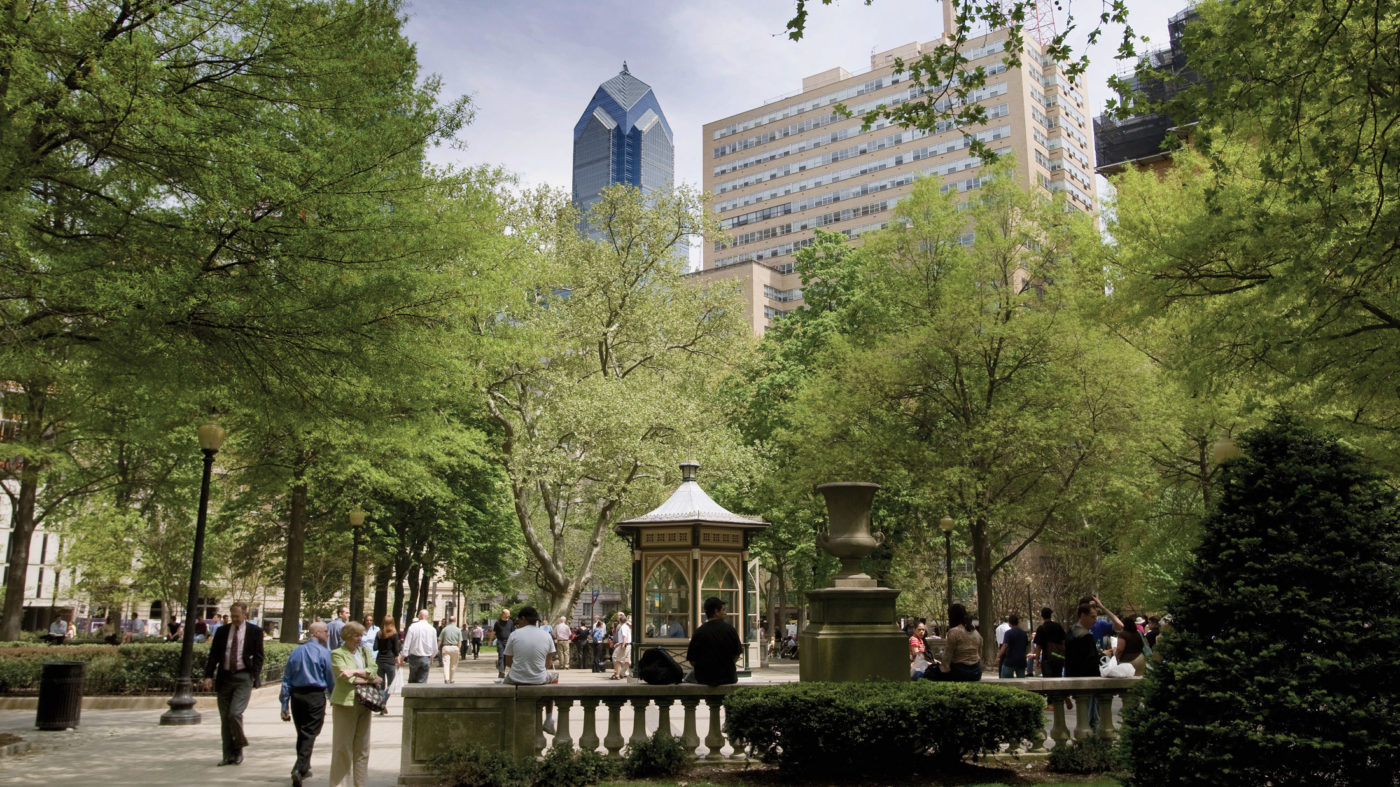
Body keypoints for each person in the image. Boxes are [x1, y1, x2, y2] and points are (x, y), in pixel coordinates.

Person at [203, 601, 265, 766]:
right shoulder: (222, 631)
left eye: (237, 616)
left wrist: (254, 675)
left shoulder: (255, 631)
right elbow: (213, 655)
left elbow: (259, 656)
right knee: (225, 718)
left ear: (245, 614)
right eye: (232, 616)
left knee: (235, 713)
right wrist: (208, 676)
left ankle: (238, 749)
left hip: (243, 677)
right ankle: (227, 755)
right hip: (224, 677)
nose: (235, 619)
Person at [280, 621, 333, 787]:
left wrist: (284, 704)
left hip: (297, 696)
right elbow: (330, 678)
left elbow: (286, 679)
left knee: (303, 732)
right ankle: (298, 768)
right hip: (315, 696)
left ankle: (304, 766)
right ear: (316, 633)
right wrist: (334, 697)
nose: (328, 634)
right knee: (310, 733)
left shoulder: (296, 652)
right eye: (325, 631)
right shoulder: (324, 653)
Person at [329, 621, 378, 787]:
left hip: (366, 702)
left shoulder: (365, 652)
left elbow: (374, 671)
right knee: (342, 748)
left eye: (361, 635)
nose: (360, 639)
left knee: (363, 749)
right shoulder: (337, 654)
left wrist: (355, 671)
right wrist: (368, 678)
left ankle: (360, 784)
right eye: (356, 635)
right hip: (345, 704)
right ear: (347, 636)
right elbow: (347, 679)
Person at [502, 606, 559, 732]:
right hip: (539, 679)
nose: (518, 623)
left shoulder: (514, 634)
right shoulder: (546, 635)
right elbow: (548, 664)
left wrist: (522, 667)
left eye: (518, 620)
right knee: (554, 678)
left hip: (516, 678)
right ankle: (549, 718)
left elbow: (508, 662)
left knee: (502, 685)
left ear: (523, 618)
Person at [686, 597, 742, 686]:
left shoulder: (699, 632)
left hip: (704, 678)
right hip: (728, 677)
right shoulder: (730, 630)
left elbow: (692, 660)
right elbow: (737, 654)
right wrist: (726, 665)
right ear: (716, 611)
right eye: (723, 610)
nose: (726, 612)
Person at [924, 603, 981, 681]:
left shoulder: (954, 632)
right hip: (976, 671)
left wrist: (942, 669)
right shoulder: (976, 633)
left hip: (960, 671)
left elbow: (947, 656)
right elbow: (980, 653)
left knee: (930, 671)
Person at [374, 616, 401, 714]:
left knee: (381, 685)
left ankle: (382, 704)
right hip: (390, 661)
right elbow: (396, 650)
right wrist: (398, 659)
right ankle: (382, 702)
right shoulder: (394, 634)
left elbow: (375, 647)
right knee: (391, 684)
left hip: (379, 660)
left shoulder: (379, 633)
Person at [402, 610, 437, 684]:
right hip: (426, 657)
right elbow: (435, 646)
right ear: (427, 617)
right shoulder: (432, 629)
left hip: (414, 657)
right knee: (422, 681)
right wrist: (432, 656)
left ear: (419, 616)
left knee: (412, 680)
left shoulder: (412, 627)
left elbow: (407, 643)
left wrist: (403, 657)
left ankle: (411, 691)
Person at [1032, 607, 1067, 679]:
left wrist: (1037, 660)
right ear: (1051, 615)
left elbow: (1038, 646)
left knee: (1048, 680)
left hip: (1046, 658)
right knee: (1058, 678)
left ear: (1042, 616)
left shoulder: (1041, 628)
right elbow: (1064, 641)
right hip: (1058, 657)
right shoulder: (1057, 626)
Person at [997, 613, 1029, 678]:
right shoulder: (1024, 633)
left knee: (1005, 678)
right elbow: (1026, 645)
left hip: (1010, 660)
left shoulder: (1008, 633)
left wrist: (998, 656)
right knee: (1021, 679)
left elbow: (1005, 646)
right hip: (1021, 660)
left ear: (1009, 623)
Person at [438, 617, 463, 684]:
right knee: (453, 665)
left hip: (446, 647)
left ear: (449, 621)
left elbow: (440, 640)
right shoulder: (458, 630)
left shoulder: (444, 629)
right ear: (455, 620)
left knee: (446, 664)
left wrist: (437, 648)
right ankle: (451, 679)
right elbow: (459, 642)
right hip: (455, 647)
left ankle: (446, 679)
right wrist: (458, 649)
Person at [492, 608, 514, 679]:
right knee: (501, 656)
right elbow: (494, 632)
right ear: (503, 614)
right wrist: (490, 641)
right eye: (508, 614)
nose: (509, 615)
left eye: (509, 614)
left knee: (506, 657)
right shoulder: (498, 623)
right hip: (500, 641)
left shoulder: (510, 622)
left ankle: (500, 667)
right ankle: (501, 672)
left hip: (508, 642)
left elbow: (512, 632)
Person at [610, 613, 632, 680]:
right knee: (627, 660)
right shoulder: (627, 626)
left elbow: (624, 637)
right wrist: (619, 643)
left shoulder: (623, 627)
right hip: (628, 645)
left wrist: (623, 645)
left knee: (615, 658)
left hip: (624, 645)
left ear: (619, 621)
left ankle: (618, 674)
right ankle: (622, 673)